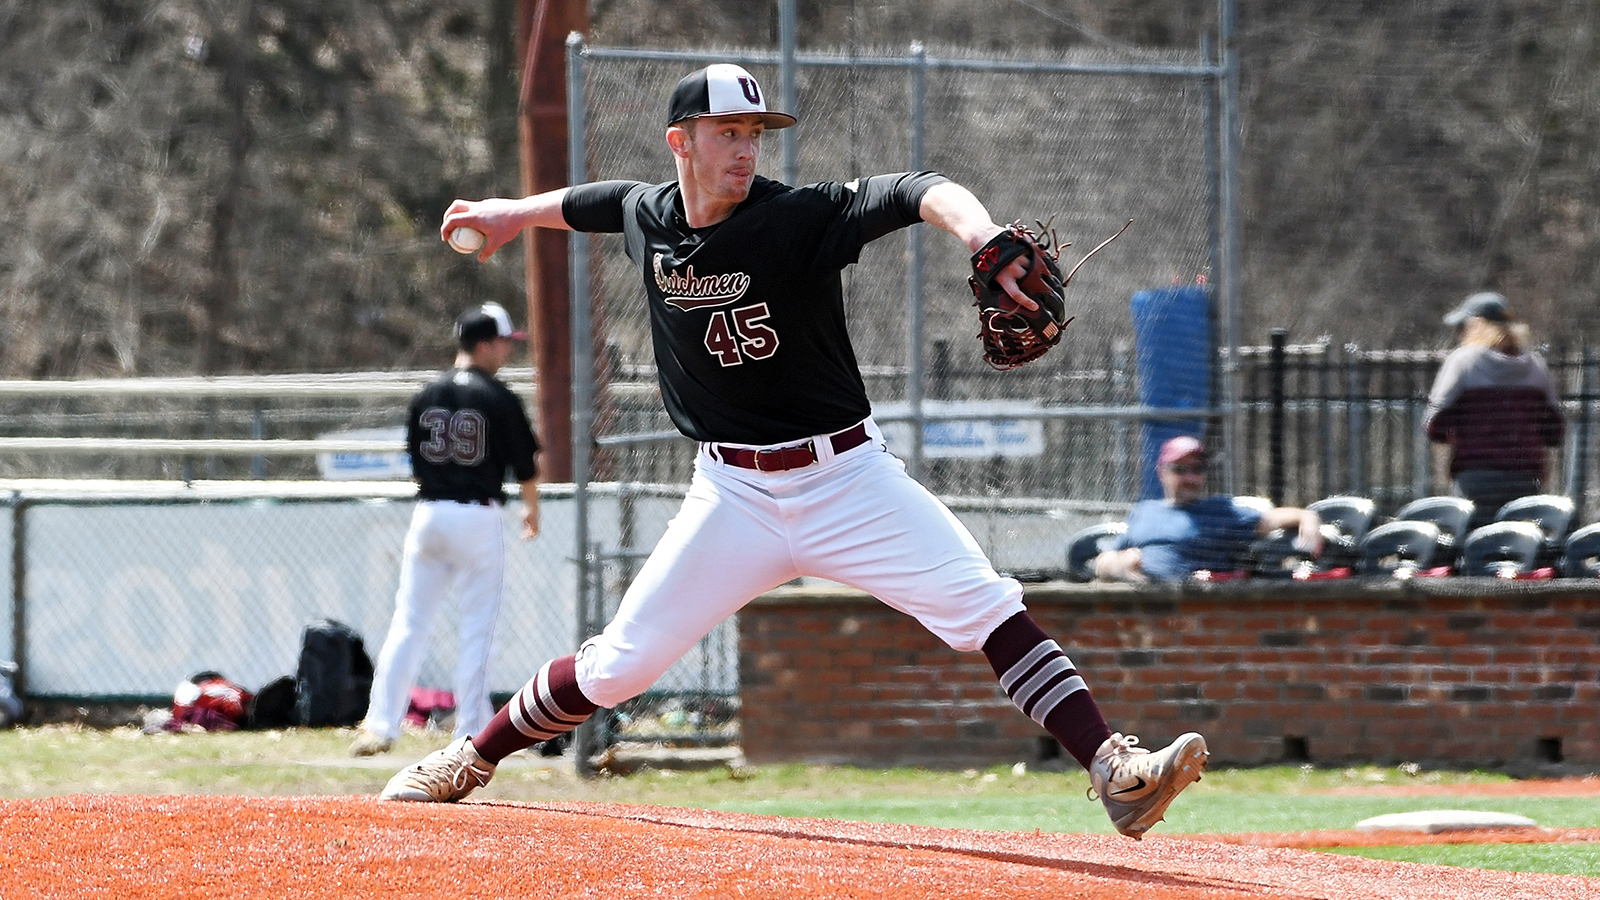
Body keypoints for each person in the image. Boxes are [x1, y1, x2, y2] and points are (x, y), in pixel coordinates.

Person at [379, 63, 1207, 839]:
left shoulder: (794, 219)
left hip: (846, 478)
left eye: (755, 133)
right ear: (682, 142)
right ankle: (470, 758)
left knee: (986, 606)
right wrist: (508, 215)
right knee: (617, 668)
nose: (745, 148)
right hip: (731, 496)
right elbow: (590, 203)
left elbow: (917, 189)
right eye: (727, 131)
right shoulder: (650, 216)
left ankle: (1115, 769)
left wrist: (982, 233)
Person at [348, 302, 542, 757]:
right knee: (477, 628)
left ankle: (380, 724)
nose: (507, 353)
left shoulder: (427, 393)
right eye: (503, 344)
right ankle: (470, 730)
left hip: (429, 514)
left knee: (409, 622)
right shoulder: (498, 396)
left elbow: (415, 457)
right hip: (477, 514)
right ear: (483, 344)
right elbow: (526, 464)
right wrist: (531, 510)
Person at [1424, 291, 1565, 533]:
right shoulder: (1535, 365)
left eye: (1463, 327)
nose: (1460, 334)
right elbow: (1555, 430)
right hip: (1525, 476)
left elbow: (1435, 424)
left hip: (1476, 476)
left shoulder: (1463, 362)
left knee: (1477, 547)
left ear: (1476, 324)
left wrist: (1461, 433)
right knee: (1516, 546)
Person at [1093, 435, 1323, 583]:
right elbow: (1105, 560)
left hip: (1189, 603)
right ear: (1162, 472)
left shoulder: (1219, 511)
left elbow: (1271, 519)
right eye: (1180, 469)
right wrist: (1117, 565)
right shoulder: (1145, 511)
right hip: (1138, 602)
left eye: (1197, 469)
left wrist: (1306, 516)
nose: (1190, 477)